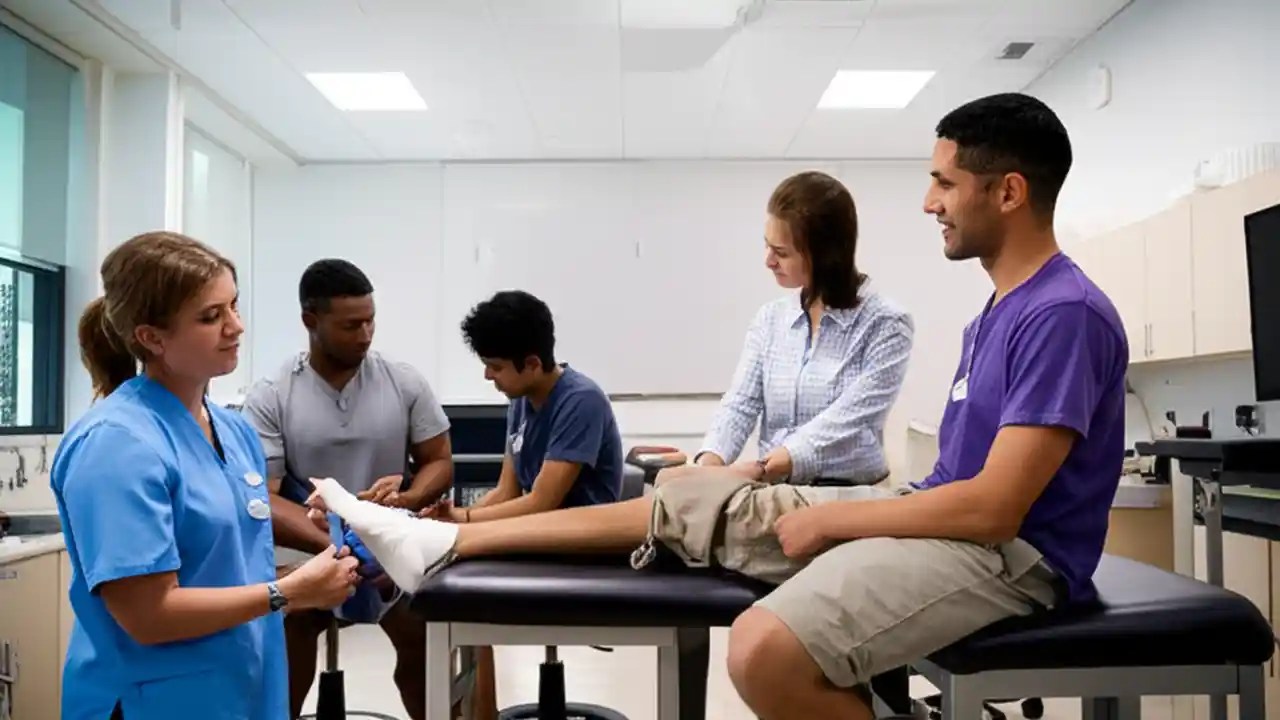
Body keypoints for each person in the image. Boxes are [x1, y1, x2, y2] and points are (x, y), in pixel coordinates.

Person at [305, 92, 1128, 720]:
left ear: (1010, 191)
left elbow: (992, 508)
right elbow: (747, 409)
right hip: (930, 519)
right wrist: (715, 461)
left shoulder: (1059, 314)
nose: (928, 202)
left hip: (1009, 559)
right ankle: (439, 537)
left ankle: (443, 535)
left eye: (944, 182)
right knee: (683, 497)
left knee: (762, 650)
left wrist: (834, 518)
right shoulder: (998, 310)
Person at [51, 232, 359, 720]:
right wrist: (291, 591)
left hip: (241, 687)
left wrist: (322, 552)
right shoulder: (118, 446)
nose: (235, 327)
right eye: (210, 317)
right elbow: (149, 615)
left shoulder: (233, 431)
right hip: (153, 701)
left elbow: (226, 573)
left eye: (234, 306)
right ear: (152, 337)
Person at [240, 259, 453, 720]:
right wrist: (342, 548)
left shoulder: (403, 381)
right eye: (351, 325)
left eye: (370, 321)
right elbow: (266, 497)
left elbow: (438, 462)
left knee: (422, 637)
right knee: (287, 635)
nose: (365, 334)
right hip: (312, 548)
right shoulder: (272, 395)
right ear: (310, 321)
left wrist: (410, 499)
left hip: (395, 548)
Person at [431, 289, 625, 719]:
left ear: (533, 363)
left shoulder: (580, 399)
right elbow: (507, 491)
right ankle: (479, 711)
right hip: (543, 536)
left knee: (464, 571)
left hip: (584, 544)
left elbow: (542, 501)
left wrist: (464, 522)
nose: (488, 377)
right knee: (453, 580)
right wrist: (457, 518)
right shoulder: (521, 400)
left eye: (495, 367)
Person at [695, 170, 914, 485]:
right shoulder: (770, 320)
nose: (768, 260)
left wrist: (766, 465)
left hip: (849, 496)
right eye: (767, 246)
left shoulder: (886, 323)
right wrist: (709, 464)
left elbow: (850, 418)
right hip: (775, 487)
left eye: (781, 253)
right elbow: (741, 403)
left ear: (826, 256)